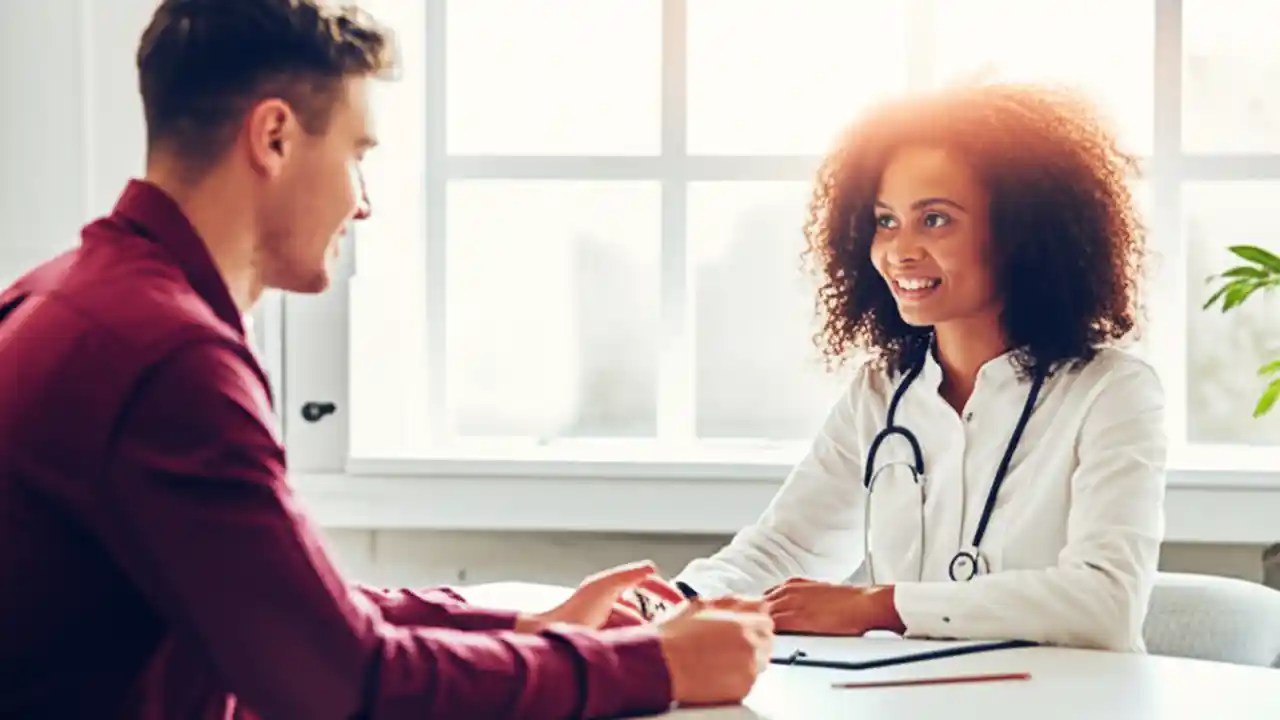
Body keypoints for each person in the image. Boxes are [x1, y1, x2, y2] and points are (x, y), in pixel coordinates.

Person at [0, 1, 771, 718]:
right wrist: (657, 666)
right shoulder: (167, 358)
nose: (362, 200)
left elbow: (289, 611)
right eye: (356, 153)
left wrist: (527, 626)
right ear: (274, 137)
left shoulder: (63, 296)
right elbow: (342, 679)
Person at [669, 83, 1167, 653]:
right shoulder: (882, 392)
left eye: (935, 220)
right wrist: (667, 601)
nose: (899, 251)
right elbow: (786, 548)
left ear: (1021, 233)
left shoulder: (1111, 392)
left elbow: (1104, 605)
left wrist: (879, 605)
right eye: (885, 221)